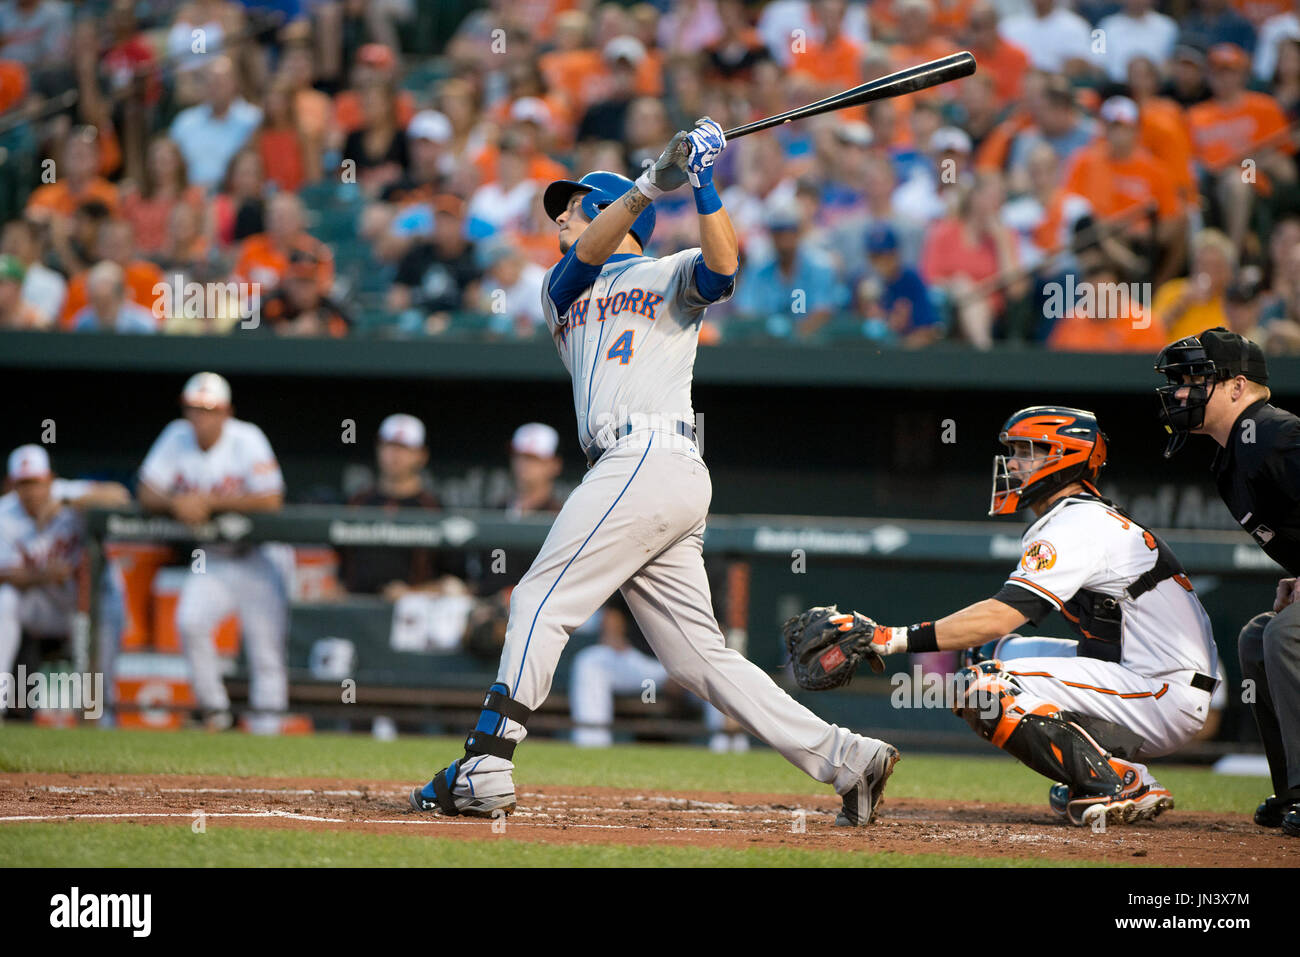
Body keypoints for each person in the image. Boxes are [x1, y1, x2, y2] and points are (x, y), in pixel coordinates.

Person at [410, 120, 899, 828]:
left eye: (572, 203)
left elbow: (724, 269)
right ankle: (845, 755)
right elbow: (583, 256)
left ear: (601, 204)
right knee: (699, 657)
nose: (560, 216)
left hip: (648, 458)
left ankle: (486, 760)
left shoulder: (667, 270)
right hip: (643, 471)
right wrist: (646, 185)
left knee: (539, 596)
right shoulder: (562, 292)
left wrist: (701, 180)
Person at [797, 407, 1220, 827]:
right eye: (1014, 451)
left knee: (983, 687)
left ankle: (1120, 782)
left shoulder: (1079, 523)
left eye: (1028, 451)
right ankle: (1095, 768)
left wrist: (891, 638)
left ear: (1067, 456)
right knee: (982, 654)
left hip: (1161, 692)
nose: (1013, 463)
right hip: (1138, 673)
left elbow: (1004, 614)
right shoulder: (1080, 516)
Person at [1155, 328, 1300, 837]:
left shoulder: (1271, 432)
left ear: (1238, 387)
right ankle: (1292, 792)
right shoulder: (1234, 452)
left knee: (1286, 634)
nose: (1179, 392)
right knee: (1259, 636)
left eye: (1195, 379)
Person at [136, 373, 288, 733]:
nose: (201, 417)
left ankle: (269, 733)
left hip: (258, 557)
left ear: (226, 412)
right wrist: (176, 503)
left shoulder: (246, 438)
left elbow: (271, 498)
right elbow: (145, 491)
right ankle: (216, 713)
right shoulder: (176, 436)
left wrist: (209, 502)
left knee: (265, 652)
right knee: (190, 623)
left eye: (209, 409)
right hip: (214, 558)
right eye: (194, 409)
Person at [0, 445, 129, 720]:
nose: (31, 491)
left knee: (98, 685)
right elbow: (4, 573)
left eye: (36, 482)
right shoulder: (5, 513)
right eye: (24, 484)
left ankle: (101, 717)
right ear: (12, 485)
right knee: (5, 599)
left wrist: (69, 504)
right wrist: (45, 575)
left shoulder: (69, 493)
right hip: (46, 604)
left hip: (94, 601)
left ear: (50, 479)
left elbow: (121, 496)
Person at [338, 414, 447, 600]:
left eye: (403, 448)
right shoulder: (357, 503)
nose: (394, 454)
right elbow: (334, 563)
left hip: (412, 615)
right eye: (388, 445)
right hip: (354, 610)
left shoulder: (433, 509)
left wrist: (412, 594)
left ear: (421, 455)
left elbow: (455, 583)